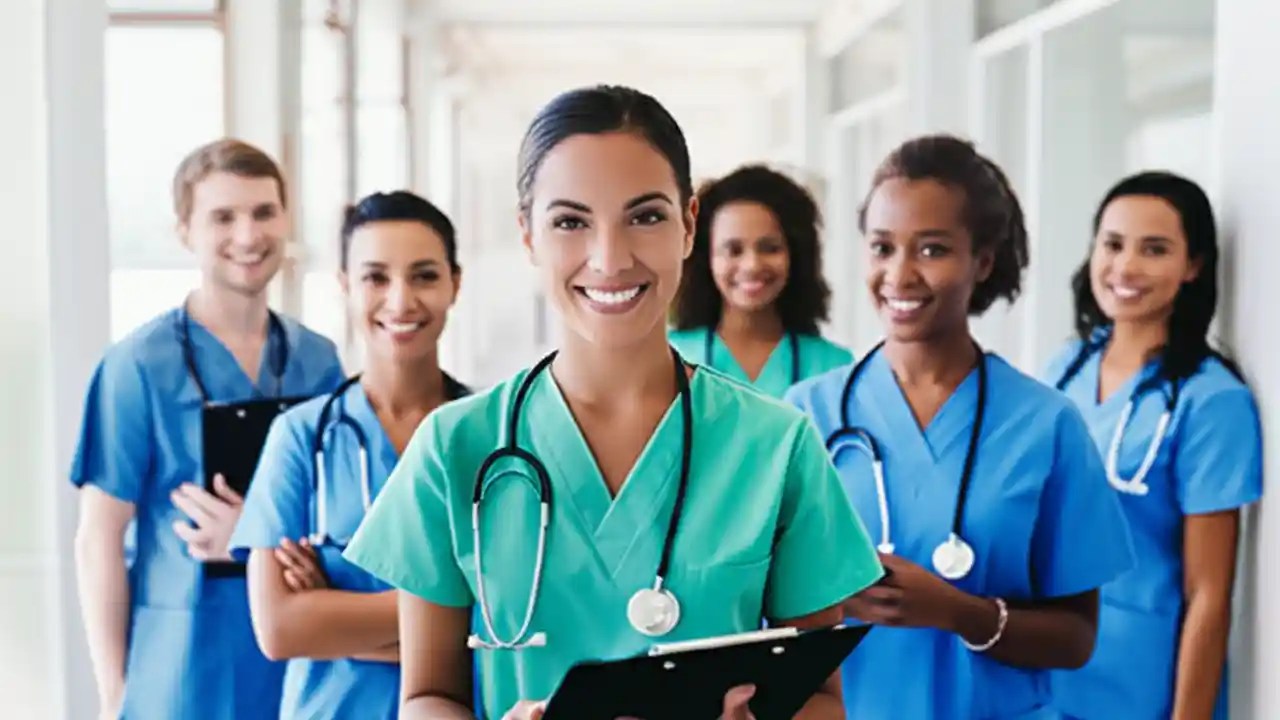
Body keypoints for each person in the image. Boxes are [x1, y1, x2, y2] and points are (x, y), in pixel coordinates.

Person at [341, 85, 884, 720]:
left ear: (688, 225)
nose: (610, 258)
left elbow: (820, 699)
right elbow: (429, 696)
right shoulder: (454, 448)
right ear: (527, 236)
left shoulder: (776, 445)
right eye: (571, 222)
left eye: (645, 216)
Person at [785, 135, 1134, 720]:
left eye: (932, 250)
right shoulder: (806, 416)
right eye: (882, 247)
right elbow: (763, 607)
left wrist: (959, 612)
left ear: (983, 260)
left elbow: (1076, 639)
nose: (899, 274)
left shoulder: (1044, 426)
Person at [70, 138, 346, 720]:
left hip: (297, 660)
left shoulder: (317, 360)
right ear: (185, 231)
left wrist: (250, 537)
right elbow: (99, 538)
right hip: (178, 671)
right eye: (223, 217)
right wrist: (114, 692)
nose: (248, 236)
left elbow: (337, 516)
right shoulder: (138, 366)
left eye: (263, 213)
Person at [228, 191, 471, 719]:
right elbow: (279, 629)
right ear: (345, 286)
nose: (401, 300)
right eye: (376, 277)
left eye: (425, 275)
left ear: (455, 282)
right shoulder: (300, 437)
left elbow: (518, 612)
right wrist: (454, 616)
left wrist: (336, 623)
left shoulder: (491, 434)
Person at [1043, 172, 1262, 720]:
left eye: (1155, 249)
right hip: (1046, 673)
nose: (1126, 267)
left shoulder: (1211, 401)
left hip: (1140, 688)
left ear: (1194, 266)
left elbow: (1209, 595)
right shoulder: (1064, 370)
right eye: (1113, 244)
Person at [668, 164, 852, 398]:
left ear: (796, 254)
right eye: (733, 250)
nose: (752, 265)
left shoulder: (835, 367)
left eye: (770, 248)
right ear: (706, 258)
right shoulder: (666, 357)